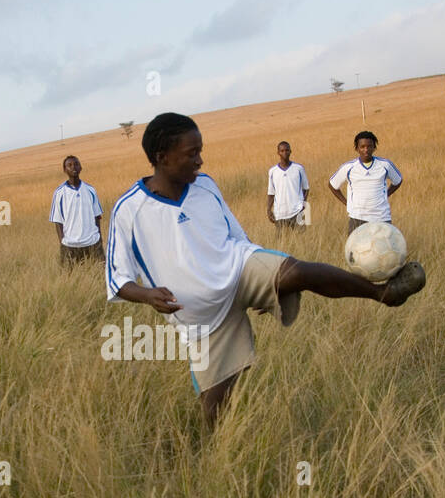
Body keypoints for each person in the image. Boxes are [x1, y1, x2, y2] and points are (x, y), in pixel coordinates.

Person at [106, 113, 426, 429]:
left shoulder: (205, 185)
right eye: (192, 153)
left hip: (239, 267)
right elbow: (117, 279)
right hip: (201, 317)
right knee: (215, 408)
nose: (200, 160)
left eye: (200, 150)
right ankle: (214, 461)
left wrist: (263, 283)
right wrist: (148, 295)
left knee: (297, 272)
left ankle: (385, 293)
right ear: (162, 157)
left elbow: (236, 237)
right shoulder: (129, 211)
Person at [328, 130, 403, 233]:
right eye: (362, 147)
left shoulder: (385, 165)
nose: (366, 150)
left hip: (382, 217)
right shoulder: (349, 167)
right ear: (357, 148)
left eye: (369, 146)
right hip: (358, 218)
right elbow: (332, 185)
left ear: (374, 147)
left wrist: (386, 195)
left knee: (384, 248)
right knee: (356, 249)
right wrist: (347, 203)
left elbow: (398, 180)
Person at [50, 155, 104, 265]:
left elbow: (97, 216)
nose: (73, 167)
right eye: (69, 165)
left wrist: (99, 239)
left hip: (92, 243)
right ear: (64, 170)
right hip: (70, 245)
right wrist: (63, 242)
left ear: (81, 168)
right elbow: (57, 220)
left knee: (101, 276)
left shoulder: (90, 190)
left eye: (76, 164)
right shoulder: (59, 193)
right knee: (69, 280)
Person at [267, 141, 309, 233]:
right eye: (282, 151)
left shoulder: (299, 169)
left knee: (302, 239)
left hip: (297, 212)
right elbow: (271, 193)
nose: (285, 153)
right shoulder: (272, 171)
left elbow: (306, 188)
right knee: (281, 242)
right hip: (280, 213)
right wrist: (269, 210)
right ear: (278, 153)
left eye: (287, 150)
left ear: (290, 151)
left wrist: (303, 205)